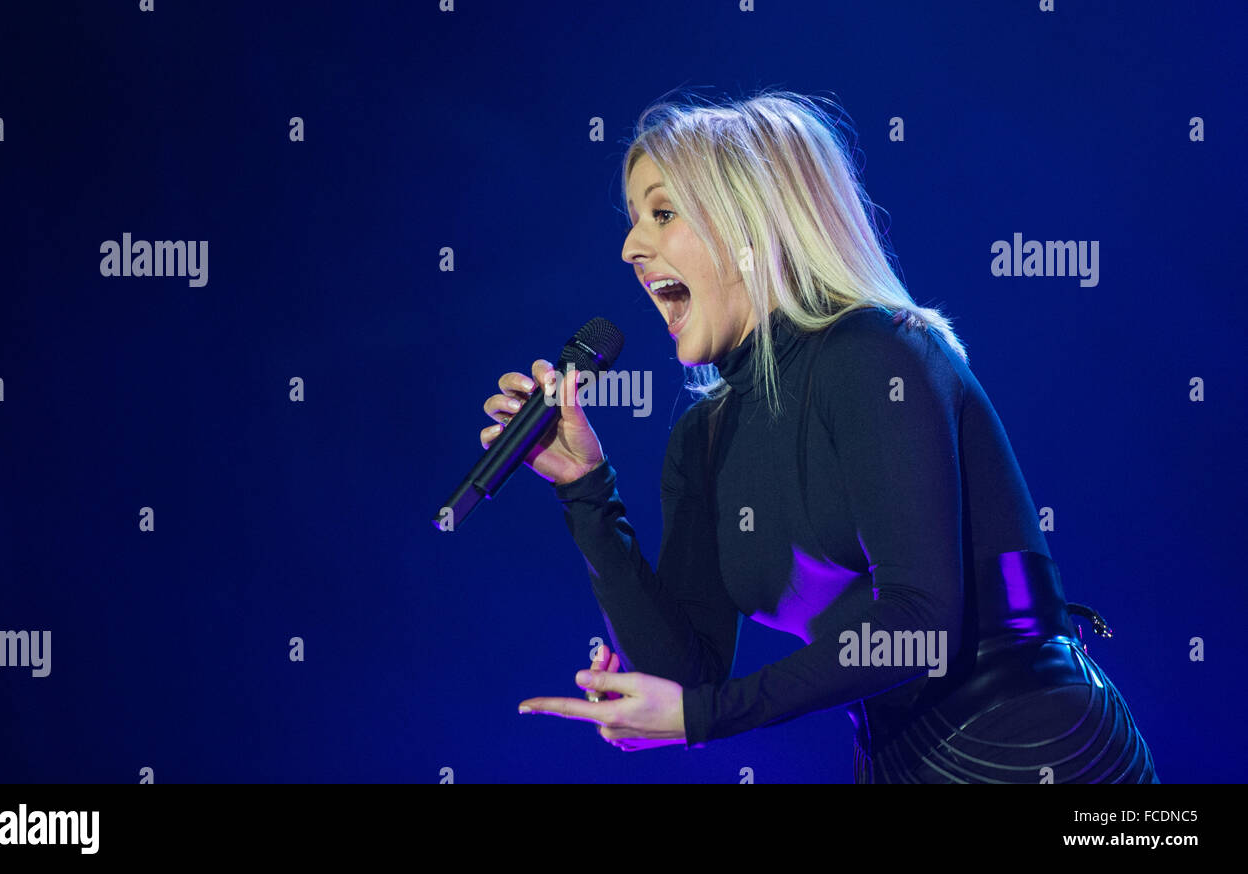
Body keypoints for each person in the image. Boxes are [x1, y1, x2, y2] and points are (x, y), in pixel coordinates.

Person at [489, 90, 1157, 782]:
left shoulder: (876, 354)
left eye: (662, 213)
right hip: (894, 759)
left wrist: (710, 714)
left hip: (1030, 744)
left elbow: (920, 621)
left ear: (752, 225)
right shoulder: (703, 440)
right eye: (633, 222)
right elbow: (685, 681)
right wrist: (588, 493)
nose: (631, 247)